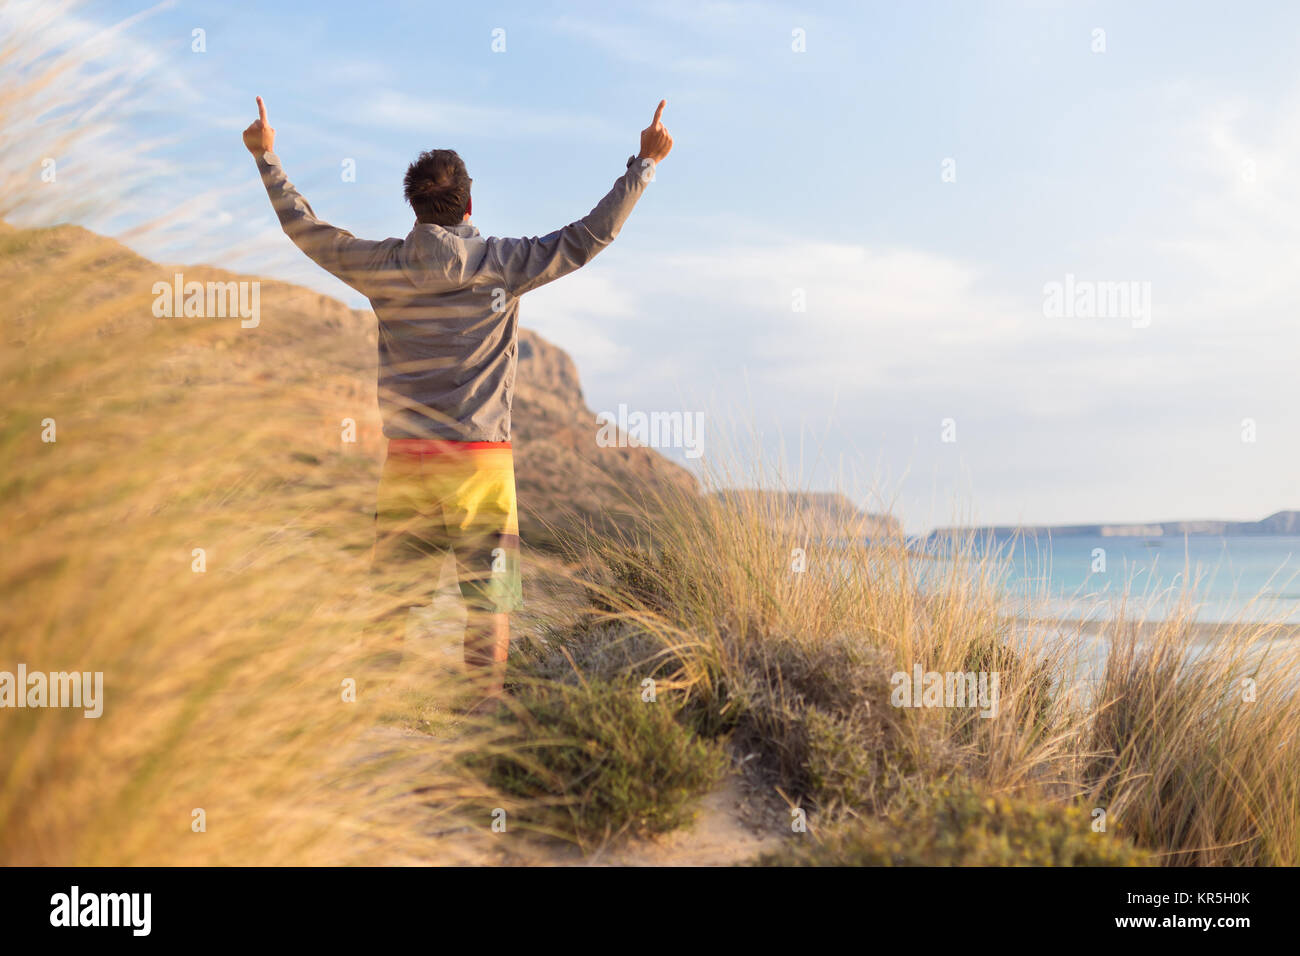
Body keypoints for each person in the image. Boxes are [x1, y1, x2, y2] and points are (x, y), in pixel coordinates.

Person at [242, 95, 674, 713]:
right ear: (468, 203)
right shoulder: (501, 264)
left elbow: (304, 230)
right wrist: (644, 164)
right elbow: (590, 236)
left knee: (394, 597)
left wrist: (267, 158)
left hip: (409, 459)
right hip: (479, 463)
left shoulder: (382, 266)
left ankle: (371, 716)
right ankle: (480, 716)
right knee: (491, 599)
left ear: (415, 205)